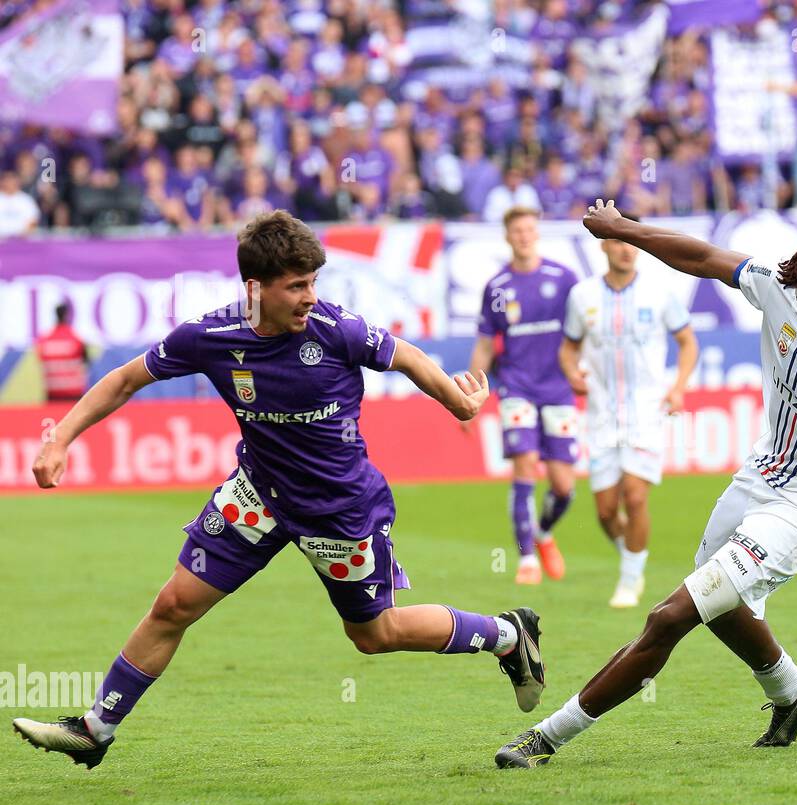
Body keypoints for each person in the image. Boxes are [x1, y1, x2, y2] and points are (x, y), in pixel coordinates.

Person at [14, 211, 545, 770]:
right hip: (258, 495)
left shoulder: (335, 329)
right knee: (173, 604)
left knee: (374, 634)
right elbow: (125, 379)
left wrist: (456, 399)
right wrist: (60, 439)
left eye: (313, 282)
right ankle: (96, 729)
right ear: (255, 288)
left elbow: (404, 354)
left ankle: (508, 635)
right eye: (296, 286)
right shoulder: (210, 337)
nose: (309, 297)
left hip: (337, 511)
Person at [496, 201, 797, 769]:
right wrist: (624, 229)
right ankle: (794, 692)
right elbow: (704, 256)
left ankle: (545, 738)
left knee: (670, 616)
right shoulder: (785, 293)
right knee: (720, 606)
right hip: (758, 479)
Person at [558, 214, 698, 608]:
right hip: (602, 414)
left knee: (635, 497)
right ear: (604, 245)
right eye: (618, 241)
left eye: (631, 242)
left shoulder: (659, 292)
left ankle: (631, 580)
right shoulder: (582, 296)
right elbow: (568, 348)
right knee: (604, 510)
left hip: (645, 412)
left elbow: (688, 342)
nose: (626, 249)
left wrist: (678, 387)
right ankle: (631, 557)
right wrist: (572, 372)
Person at [470, 207, 580, 585]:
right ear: (507, 236)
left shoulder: (563, 279)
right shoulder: (497, 287)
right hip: (516, 387)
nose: (524, 235)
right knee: (525, 466)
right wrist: (471, 395)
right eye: (517, 230)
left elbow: (583, 330)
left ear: (538, 233)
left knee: (564, 487)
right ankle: (526, 558)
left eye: (530, 229)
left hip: (559, 389)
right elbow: (485, 345)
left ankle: (543, 533)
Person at [35, 302, 90, 402]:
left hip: (52, 393)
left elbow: (41, 361)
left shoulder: (45, 340)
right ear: (66, 314)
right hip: (74, 394)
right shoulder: (76, 339)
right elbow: (87, 362)